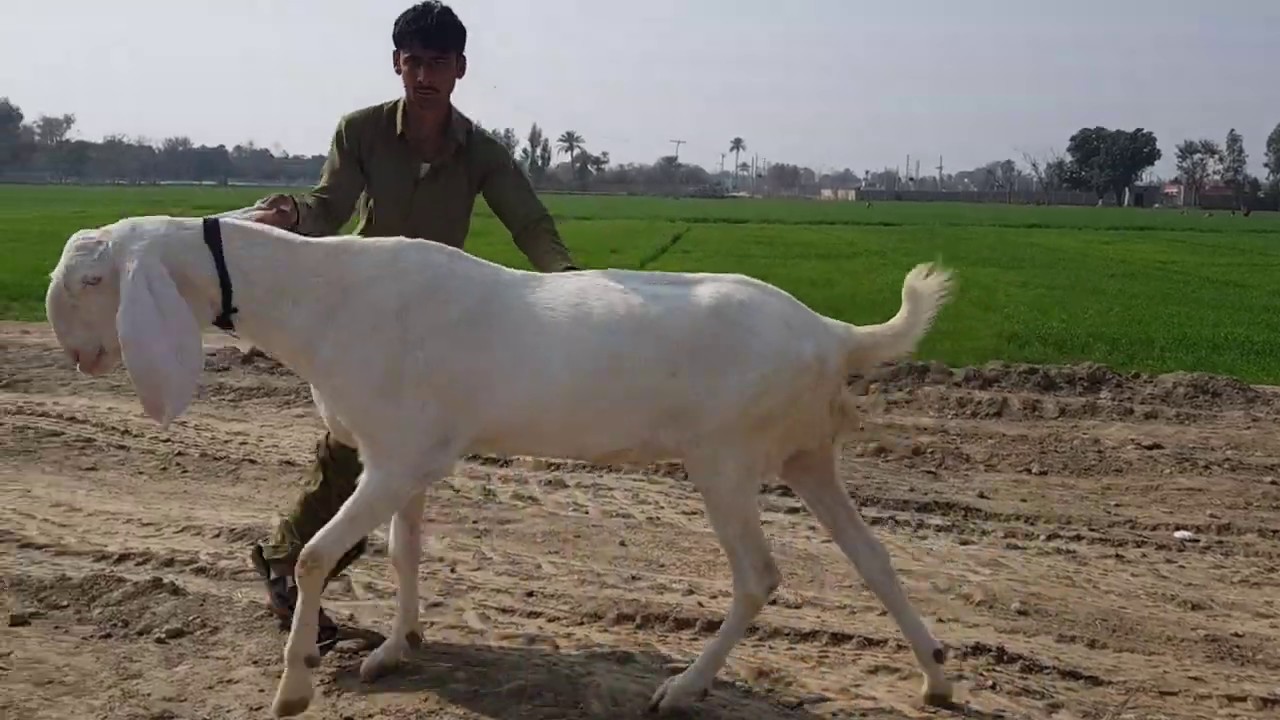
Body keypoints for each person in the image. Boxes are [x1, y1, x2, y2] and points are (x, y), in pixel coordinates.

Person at [244, 0, 580, 653]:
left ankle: (295, 563)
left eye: (438, 63)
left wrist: (569, 283)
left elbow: (530, 222)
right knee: (359, 449)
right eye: (413, 62)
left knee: (392, 455)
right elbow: (330, 207)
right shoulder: (360, 133)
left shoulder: (481, 151)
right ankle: (292, 567)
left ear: (460, 69)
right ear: (397, 64)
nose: (424, 76)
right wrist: (288, 215)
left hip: (439, 322)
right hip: (364, 314)